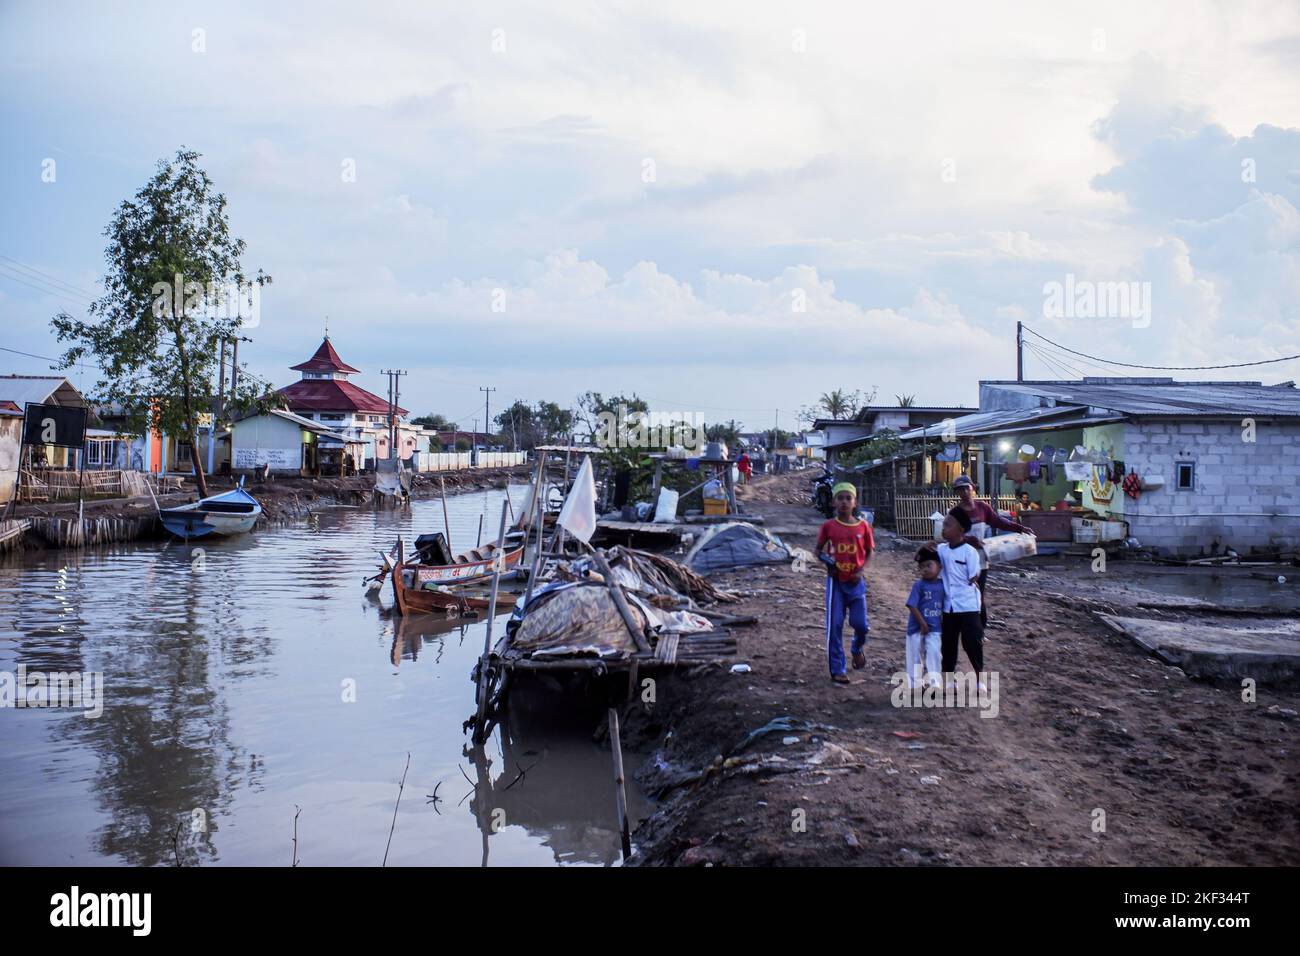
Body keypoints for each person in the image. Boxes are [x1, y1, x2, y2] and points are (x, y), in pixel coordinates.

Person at [951, 474, 1035, 626]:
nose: (964, 492)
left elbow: (999, 521)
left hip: (981, 559)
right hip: (961, 560)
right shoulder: (955, 513)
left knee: (979, 593)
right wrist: (968, 540)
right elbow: (950, 535)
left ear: (973, 489)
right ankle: (963, 624)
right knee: (963, 592)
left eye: (966, 488)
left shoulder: (982, 508)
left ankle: (980, 626)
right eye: (960, 490)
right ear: (957, 493)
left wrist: (1020, 528)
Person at [816, 481, 874, 684]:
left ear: (855, 502)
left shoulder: (863, 526)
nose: (844, 502)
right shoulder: (828, 526)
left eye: (848, 498)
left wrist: (861, 569)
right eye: (840, 498)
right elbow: (818, 551)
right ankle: (838, 668)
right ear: (833, 502)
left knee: (861, 625)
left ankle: (857, 648)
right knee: (835, 624)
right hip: (836, 583)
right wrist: (828, 564)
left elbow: (869, 551)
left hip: (856, 583)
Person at [936, 507, 984, 684]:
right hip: (948, 606)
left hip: (968, 605)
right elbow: (923, 560)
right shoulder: (941, 549)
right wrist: (925, 547)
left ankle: (980, 678)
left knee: (972, 643)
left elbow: (975, 573)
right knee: (948, 644)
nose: (943, 528)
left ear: (961, 530)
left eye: (948, 525)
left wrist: (975, 577)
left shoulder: (969, 552)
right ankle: (949, 681)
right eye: (944, 525)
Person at [905, 546, 944, 689]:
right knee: (914, 655)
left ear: (940, 567)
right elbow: (911, 605)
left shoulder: (943, 585)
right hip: (916, 627)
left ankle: (934, 683)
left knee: (934, 653)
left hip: (935, 628)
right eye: (922, 567)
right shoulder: (919, 585)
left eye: (929, 565)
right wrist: (922, 623)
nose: (925, 569)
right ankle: (914, 685)